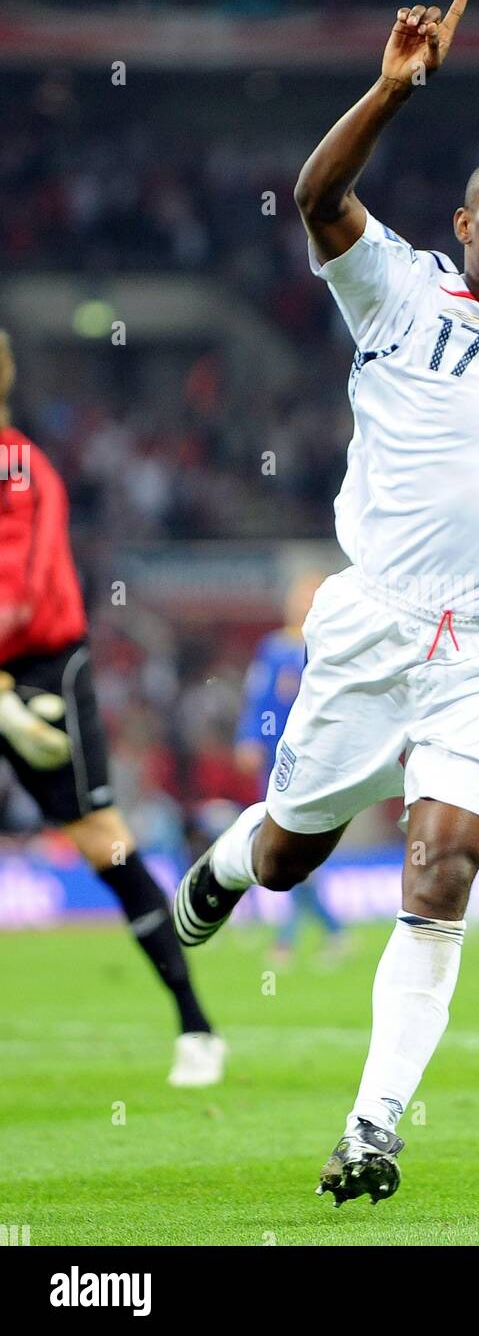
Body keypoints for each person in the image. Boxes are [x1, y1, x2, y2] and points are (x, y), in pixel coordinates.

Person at [175, 0, 479, 1201]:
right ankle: (223, 867)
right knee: (287, 859)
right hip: (374, 624)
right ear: (465, 221)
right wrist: (391, 89)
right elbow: (315, 198)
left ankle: (373, 1127)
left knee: (443, 863)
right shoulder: (394, 287)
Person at [0, 330, 224, 1087]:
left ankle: (195, 1023)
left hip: (40, 672)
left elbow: (17, 597)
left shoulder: (19, 467)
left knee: (104, 844)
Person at [234, 573, 348, 963]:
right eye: (298, 597)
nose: (302, 604)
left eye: (310, 597)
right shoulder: (273, 647)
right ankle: (331, 934)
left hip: (313, 759)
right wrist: (247, 738)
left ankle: (289, 940)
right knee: (282, 848)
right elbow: (258, 698)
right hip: (274, 760)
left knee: (292, 848)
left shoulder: (328, 646)